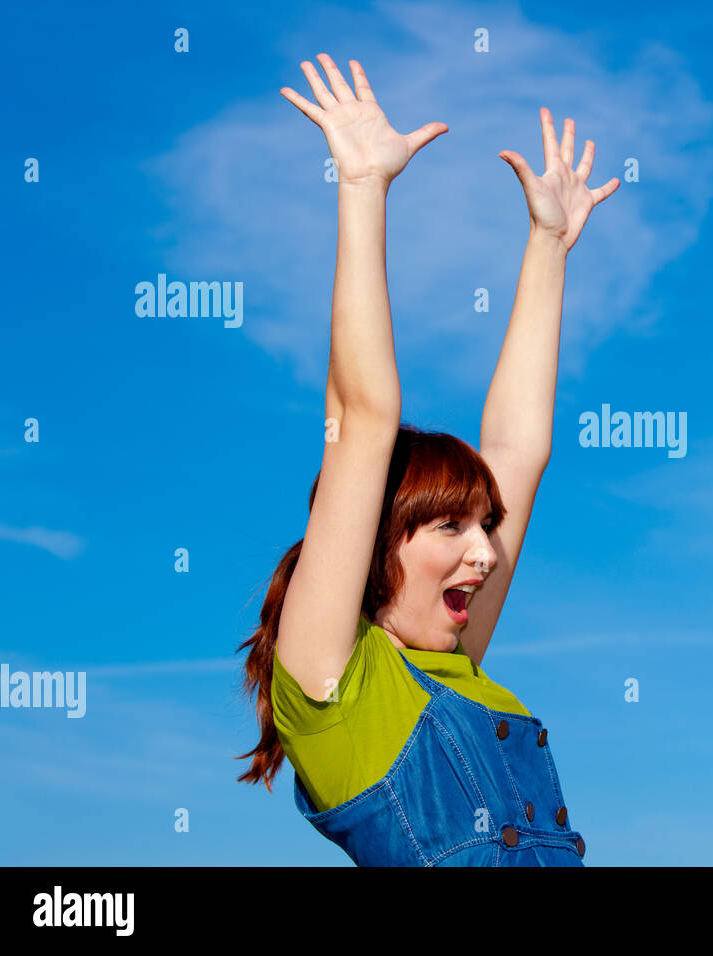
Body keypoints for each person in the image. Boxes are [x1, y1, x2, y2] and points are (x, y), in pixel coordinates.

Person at [235, 53, 618, 866]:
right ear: (377, 544)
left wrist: (549, 245)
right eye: (450, 525)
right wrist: (363, 186)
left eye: (487, 525)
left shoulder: (455, 665)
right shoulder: (338, 690)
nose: (484, 552)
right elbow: (362, 417)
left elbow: (519, 448)